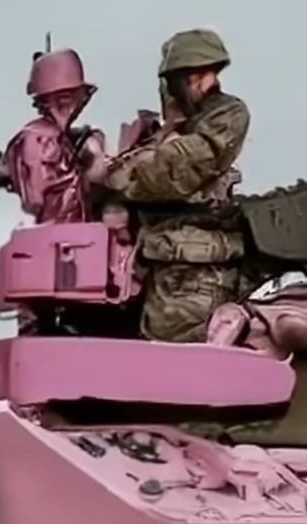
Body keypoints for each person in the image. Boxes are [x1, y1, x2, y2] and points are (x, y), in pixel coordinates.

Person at [102, 28, 256, 343]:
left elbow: (174, 169)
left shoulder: (226, 115)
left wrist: (112, 175)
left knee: (177, 360)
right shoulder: (174, 128)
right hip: (162, 266)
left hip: (197, 274)